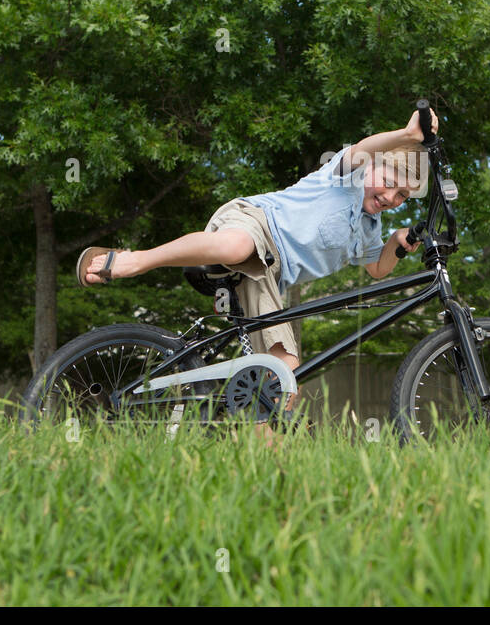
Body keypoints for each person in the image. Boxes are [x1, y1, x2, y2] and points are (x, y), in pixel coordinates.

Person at [76, 104, 439, 425]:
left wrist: (395, 243)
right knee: (238, 247)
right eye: (389, 183)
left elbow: (377, 269)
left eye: (402, 195)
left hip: (269, 276)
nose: (391, 197)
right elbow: (361, 149)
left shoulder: (369, 230)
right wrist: (408, 135)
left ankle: (262, 459)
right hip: (254, 224)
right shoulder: (343, 178)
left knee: (284, 379)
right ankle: (134, 261)